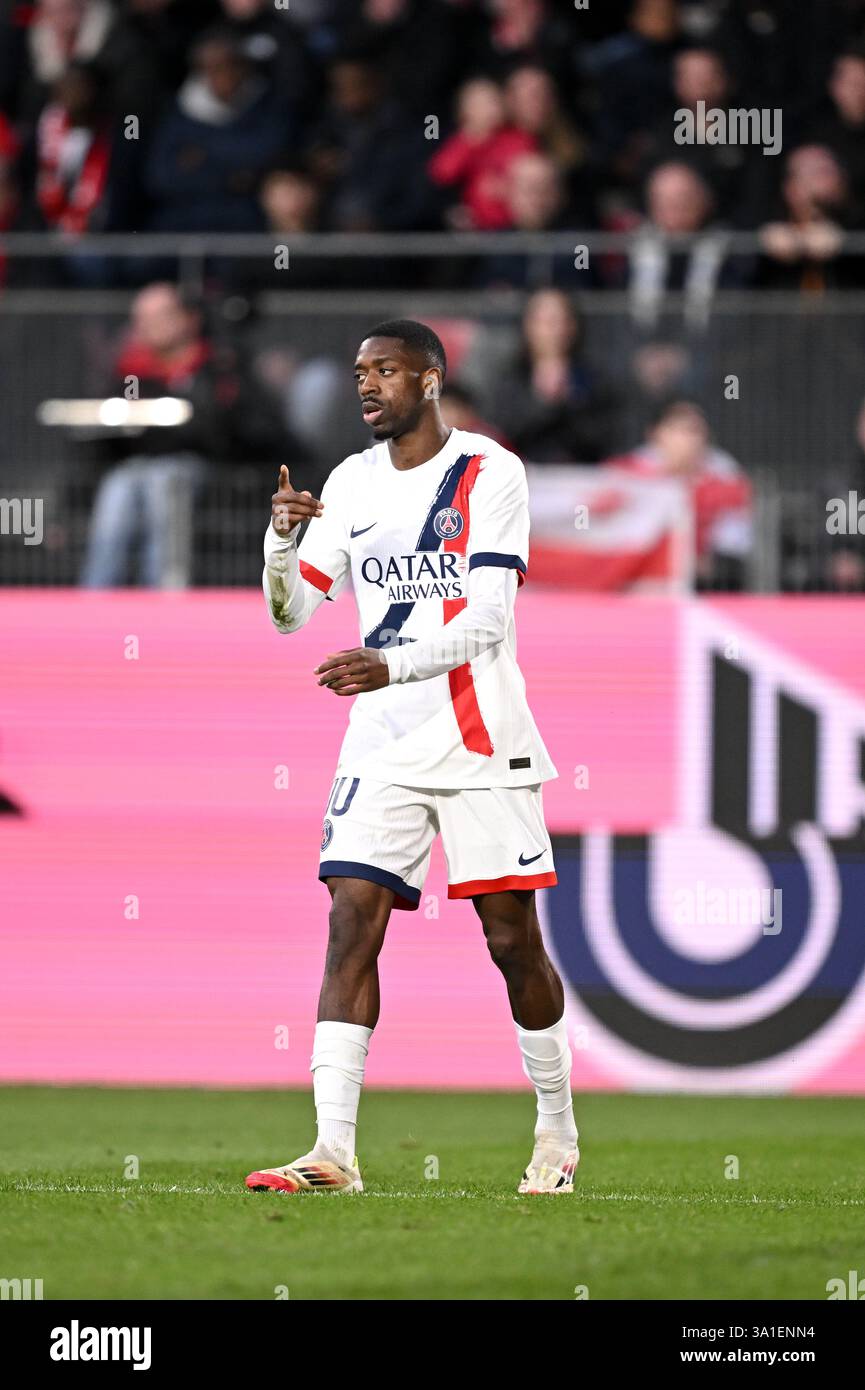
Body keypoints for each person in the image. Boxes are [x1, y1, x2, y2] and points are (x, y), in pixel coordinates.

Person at [248, 319, 578, 1197]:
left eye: (386, 371)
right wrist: (281, 541)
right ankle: (332, 1152)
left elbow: (488, 620)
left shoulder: (489, 471)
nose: (367, 386)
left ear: (429, 380)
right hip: (383, 741)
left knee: (512, 943)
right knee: (350, 921)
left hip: (480, 740)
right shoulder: (350, 482)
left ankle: (555, 1129)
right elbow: (290, 616)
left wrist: (388, 662)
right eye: (359, 372)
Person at [80, 281, 292, 587]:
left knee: (165, 479)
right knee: (120, 484)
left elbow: (237, 428)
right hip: (139, 466)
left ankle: (165, 590)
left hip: (209, 470)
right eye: (141, 318)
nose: (147, 326)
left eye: (159, 316)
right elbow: (107, 433)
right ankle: (94, 595)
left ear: (188, 319)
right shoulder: (130, 370)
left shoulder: (220, 364)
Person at [608, 399, 753, 589]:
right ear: (655, 434)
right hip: (634, 577)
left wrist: (699, 561)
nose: (687, 439)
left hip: (703, 584)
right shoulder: (627, 474)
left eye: (694, 431)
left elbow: (734, 545)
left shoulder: (725, 477)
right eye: (677, 429)